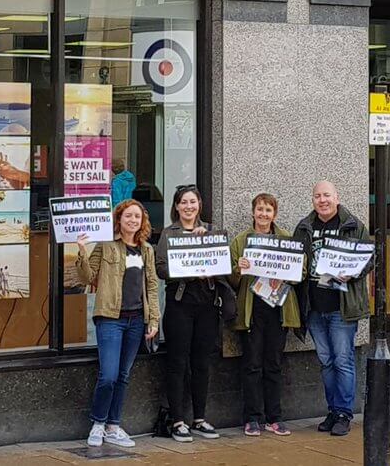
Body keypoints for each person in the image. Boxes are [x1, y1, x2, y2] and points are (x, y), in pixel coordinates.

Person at [75, 199, 160, 448]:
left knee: (123, 375)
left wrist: (153, 319)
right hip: (110, 318)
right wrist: (82, 249)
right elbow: (87, 276)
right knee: (109, 375)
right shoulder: (107, 246)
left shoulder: (147, 250)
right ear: (119, 220)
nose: (133, 221)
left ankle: (113, 425)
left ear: (142, 221)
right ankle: (98, 423)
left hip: (137, 320)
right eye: (128, 216)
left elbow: (152, 286)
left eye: (137, 217)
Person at [295, 181, 371, 438]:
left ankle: (344, 413)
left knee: (343, 360)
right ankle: (332, 410)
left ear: (337, 197)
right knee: (326, 361)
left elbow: (370, 258)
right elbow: (296, 262)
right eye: (317, 196)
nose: (322, 200)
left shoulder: (353, 225)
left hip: (342, 307)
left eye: (327, 195)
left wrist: (353, 272)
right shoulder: (305, 227)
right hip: (314, 307)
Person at [154, 184, 221, 443]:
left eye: (193, 202)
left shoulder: (212, 230)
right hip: (180, 303)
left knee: (201, 362)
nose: (189, 207)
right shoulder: (169, 233)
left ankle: (200, 418)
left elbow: (223, 263)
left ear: (199, 205)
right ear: (177, 206)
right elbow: (161, 268)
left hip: (206, 303)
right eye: (184, 202)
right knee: (177, 362)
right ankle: (178, 420)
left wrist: (205, 244)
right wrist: (186, 269)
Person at [229, 193, 299, 437]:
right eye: (259, 209)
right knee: (252, 365)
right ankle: (252, 418)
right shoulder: (240, 241)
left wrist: (287, 274)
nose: (263, 214)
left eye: (268, 210)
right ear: (253, 212)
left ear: (275, 214)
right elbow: (231, 279)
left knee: (274, 364)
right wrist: (240, 268)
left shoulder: (287, 239)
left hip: (278, 309)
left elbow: (299, 272)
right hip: (252, 310)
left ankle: (275, 417)